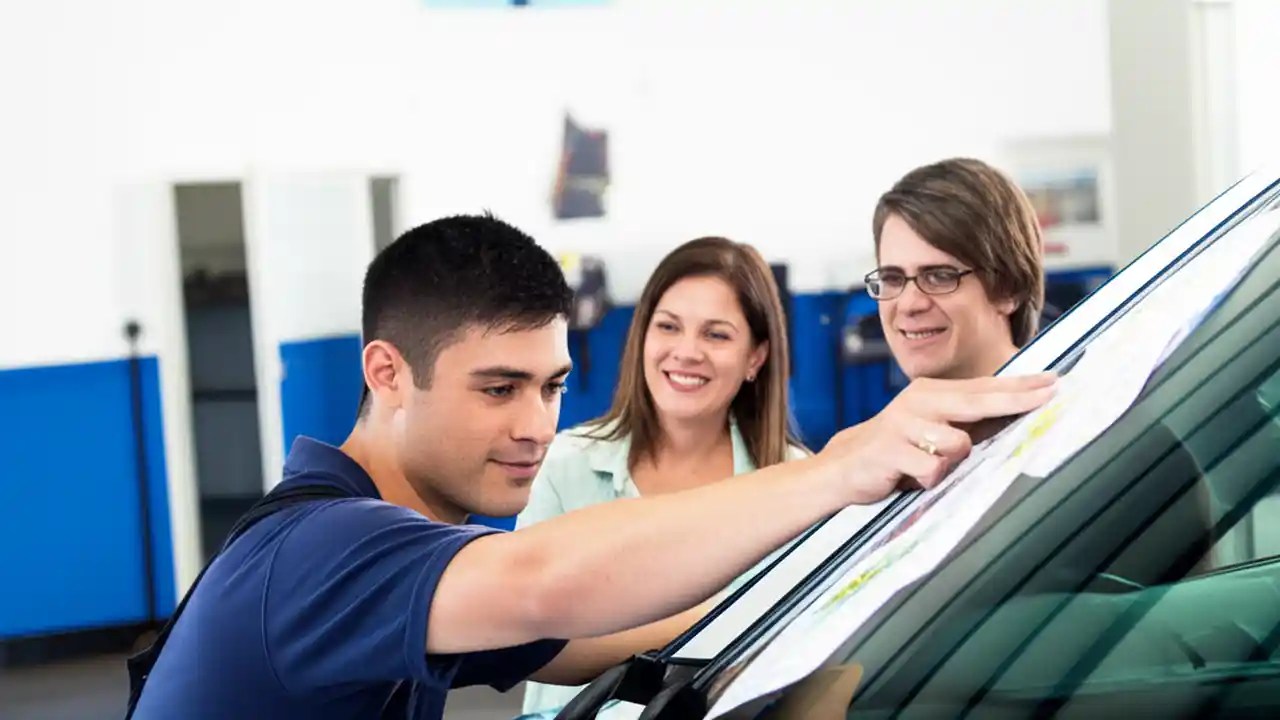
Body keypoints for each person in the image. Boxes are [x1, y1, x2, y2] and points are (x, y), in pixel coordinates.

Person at [128, 213, 1056, 720]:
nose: (536, 425)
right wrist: (840, 470)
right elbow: (539, 583)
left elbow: (573, 641)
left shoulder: (370, 548)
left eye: (552, 386)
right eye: (498, 389)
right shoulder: (322, 548)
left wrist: (811, 590)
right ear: (387, 373)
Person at [515, 236, 806, 718]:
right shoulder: (565, 466)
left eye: (716, 335)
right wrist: (715, 621)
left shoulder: (797, 484)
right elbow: (527, 639)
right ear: (643, 338)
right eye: (669, 326)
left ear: (756, 357)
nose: (686, 352)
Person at [867, 157, 1046, 381]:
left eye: (939, 277)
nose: (909, 304)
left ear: (1009, 288)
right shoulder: (902, 415)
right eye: (892, 279)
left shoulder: (1076, 411)